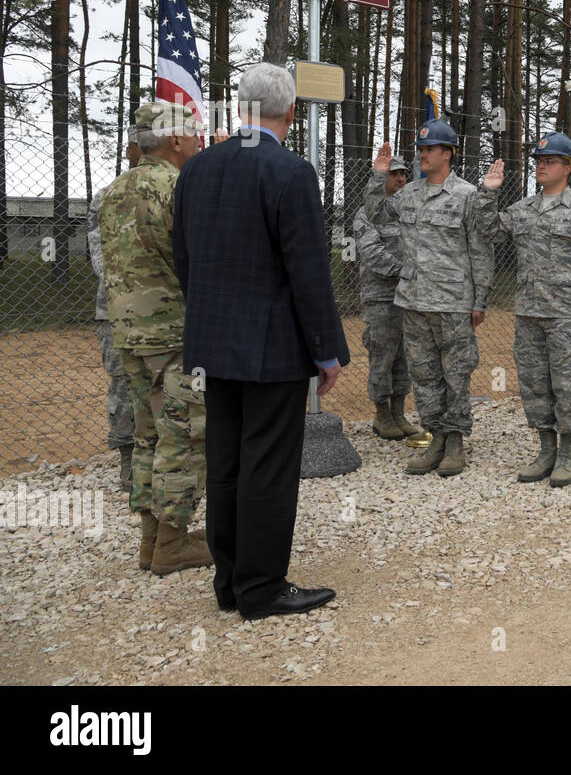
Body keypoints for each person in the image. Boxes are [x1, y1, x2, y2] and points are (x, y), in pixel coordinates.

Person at [173, 63, 349, 619]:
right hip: (271, 349)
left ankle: (230, 583)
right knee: (268, 466)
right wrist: (326, 350)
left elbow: (185, 259)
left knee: (225, 460)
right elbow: (308, 271)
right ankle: (261, 587)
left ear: (240, 107)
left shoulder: (196, 169)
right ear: (291, 113)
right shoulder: (291, 172)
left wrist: (208, 316)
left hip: (213, 344)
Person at [100, 101, 210, 576]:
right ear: (176, 140)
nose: (200, 142)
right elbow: (197, 260)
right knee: (183, 438)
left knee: (147, 436)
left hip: (128, 333)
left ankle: (151, 541)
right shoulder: (179, 188)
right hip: (173, 334)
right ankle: (172, 544)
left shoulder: (114, 190)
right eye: (195, 134)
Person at [478, 133, 571, 486]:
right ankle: (545, 450)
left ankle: (567, 453)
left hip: (568, 315)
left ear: (567, 168)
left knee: (567, 385)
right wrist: (489, 192)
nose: (541, 165)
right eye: (539, 160)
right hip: (529, 314)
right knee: (535, 385)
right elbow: (488, 231)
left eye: (550, 161)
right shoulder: (523, 210)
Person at [368, 119, 493, 476]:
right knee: (423, 375)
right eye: (420, 149)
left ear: (447, 153)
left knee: (455, 375)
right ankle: (435, 437)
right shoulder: (408, 194)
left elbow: (481, 250)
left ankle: (455, 443)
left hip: (453, 302)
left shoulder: (468, 196)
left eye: (429, 149)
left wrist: (480, 299)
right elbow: (375, 214)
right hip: (414, 301)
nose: (422, 154)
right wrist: (379, 178)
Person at [88, 129, 142, 491]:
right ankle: (128, 461)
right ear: (130, 149)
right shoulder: (107, 196)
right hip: (119, 311)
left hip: (172, 313)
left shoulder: (181, 189)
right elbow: (102, 260)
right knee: (124, 387)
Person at [353, 157, 421, 441]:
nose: (402, 179)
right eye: (395, 174)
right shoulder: (366, 214)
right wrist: (406, 272)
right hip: (381, 297)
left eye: (404, 174)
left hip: (407, 297)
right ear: (381, 179)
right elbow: (372, 254)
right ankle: (381, 415)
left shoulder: (407, 211)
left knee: (404, 356)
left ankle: (398, 412)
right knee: (383, 354)